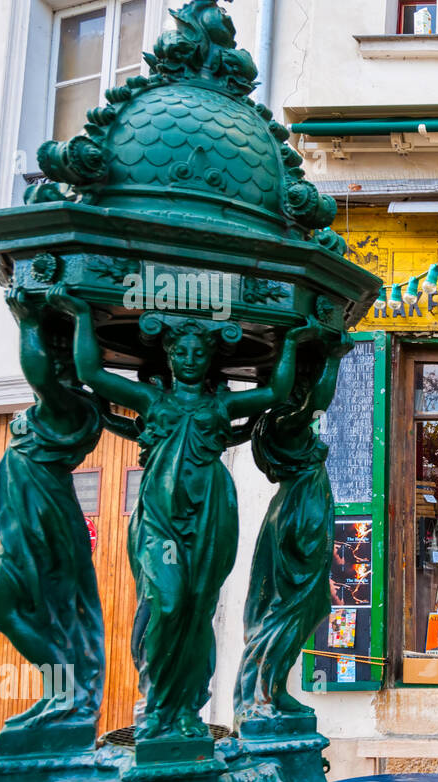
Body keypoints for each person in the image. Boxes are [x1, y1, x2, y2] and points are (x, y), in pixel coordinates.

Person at [65, 285, 318, 739]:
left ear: (206, 358)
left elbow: (278, 389)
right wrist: (82, 313)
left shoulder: (221, 405)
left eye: (198, 351)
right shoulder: (153, 402)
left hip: (211, 515)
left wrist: (295, 344)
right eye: (180, 350)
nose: (188, 358)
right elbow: (90, 371)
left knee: (198, 606)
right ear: (170, 354)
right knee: (167, 599)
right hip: (161, 518)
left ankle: (186, 705)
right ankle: (157, 699)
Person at [0, 289, 105, 729]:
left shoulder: (72, 407)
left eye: (60, 355)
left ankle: (66, 694)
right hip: (25, 525)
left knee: (5, 611)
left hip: (40, 525)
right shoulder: (53, 405)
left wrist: (30, 323)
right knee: (28, 614)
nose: (52, 362)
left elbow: (37, 374)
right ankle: (62, 695)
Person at [235, 329, 352, 724]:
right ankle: (260, 694)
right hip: (300, 517)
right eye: (299, 384)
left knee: (311, 603)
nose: (307, 392)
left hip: (302, 511)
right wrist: (334, 358)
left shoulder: (283, 425)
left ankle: (274, 688)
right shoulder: (285, 421)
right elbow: (319, 401)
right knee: (288, 607)